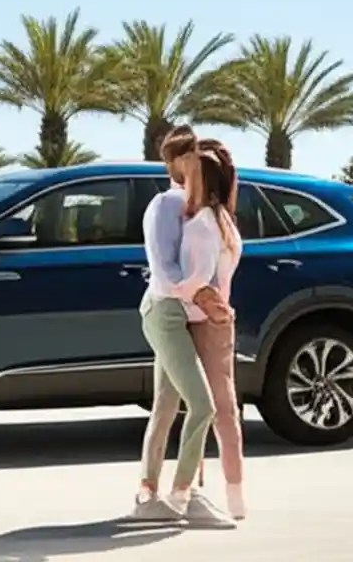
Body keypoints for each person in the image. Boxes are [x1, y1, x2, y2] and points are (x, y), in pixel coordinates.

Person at [130, 127, 235, 526]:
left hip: (184, 313)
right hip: (167, 312)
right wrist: (204, 295)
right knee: (202, 405)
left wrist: (210, 297)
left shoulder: (198, 209)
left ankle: (148, 493)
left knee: (167, 406)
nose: (194, 162)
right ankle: (180, 495)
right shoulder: (164, 205)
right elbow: (166, 269)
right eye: (188, 156)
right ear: (176, 163)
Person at [186, 139, 246, 520]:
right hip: (222, 321)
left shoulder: (200, 227)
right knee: (225, 407)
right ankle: (234, 493)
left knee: (202, 408)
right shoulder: (227, 223)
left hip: (198, 321)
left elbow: (196, 280)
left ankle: (190, 488)